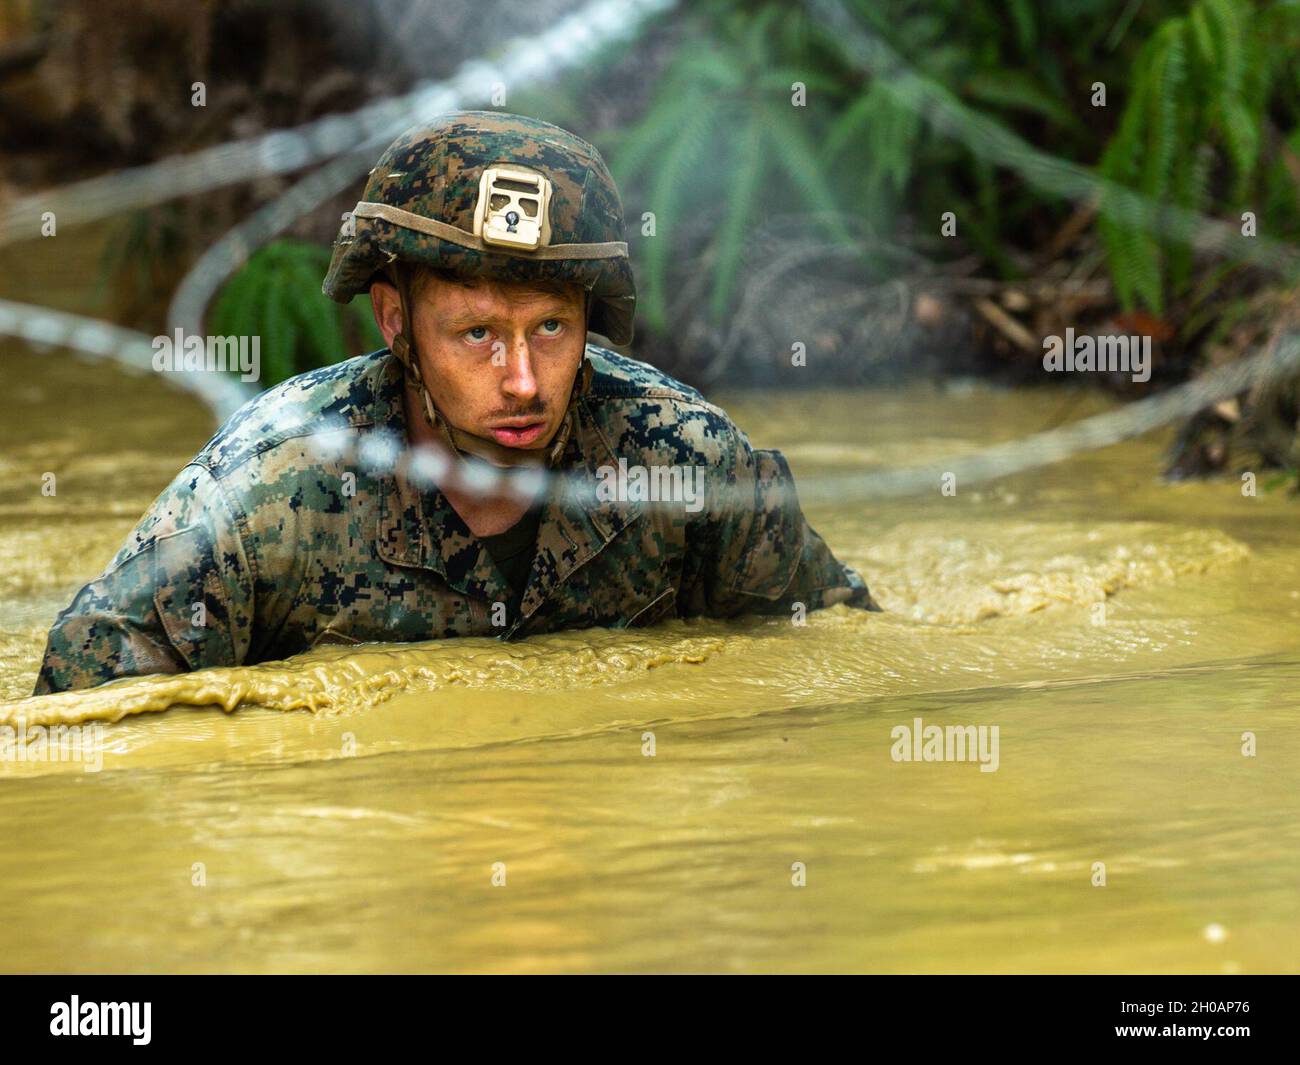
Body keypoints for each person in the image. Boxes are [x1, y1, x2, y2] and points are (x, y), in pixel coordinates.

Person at [35, 111, 878, 695]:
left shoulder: (686, 462)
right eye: (477, 333)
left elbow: (843, 654)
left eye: (551, 326)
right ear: (396, 321)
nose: (522, 380)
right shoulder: (271, 490)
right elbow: (84, 704)